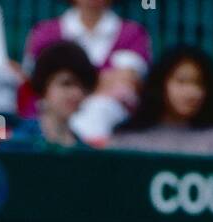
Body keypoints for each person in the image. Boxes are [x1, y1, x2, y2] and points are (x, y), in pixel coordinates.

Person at [23, 0, 150, 131]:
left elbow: (126, 83)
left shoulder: (133, 34)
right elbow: (35, 82)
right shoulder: (44, 32)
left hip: (112, 127)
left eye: (80, 86)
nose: (77, 92)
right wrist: (104, 82)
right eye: (68, 84)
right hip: (46, 123)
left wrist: (64, 85)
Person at [111, 43, 213, 156]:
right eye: (182, 81)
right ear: (160, 85)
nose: (192, 92)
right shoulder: (129, 141)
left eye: (199, 84)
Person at [14, 40, 96, 148]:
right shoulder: (19, 142)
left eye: (83, 87)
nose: (77, 93)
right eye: (66, 84)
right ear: (44, 86)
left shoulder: (85, 151)